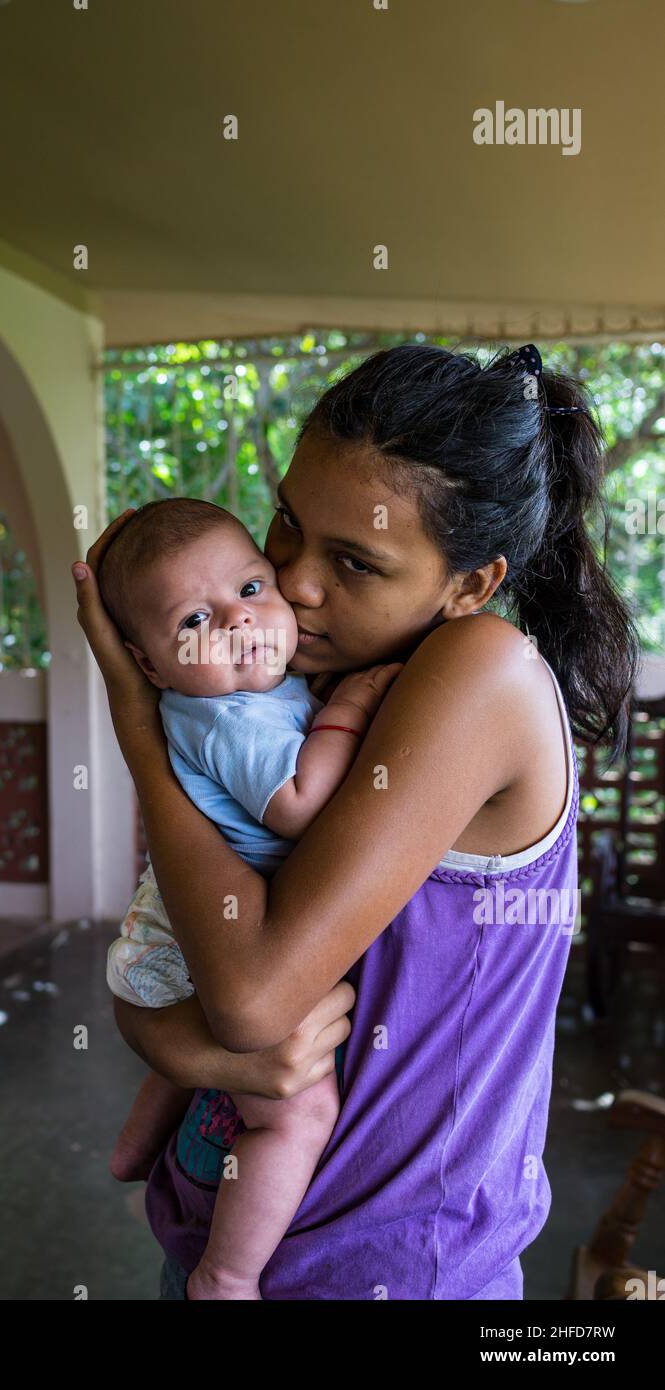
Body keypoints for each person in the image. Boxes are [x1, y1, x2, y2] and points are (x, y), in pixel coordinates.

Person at [73, 342, 638, 1300]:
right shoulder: (304, 676)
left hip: (384, 1270)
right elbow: (196, 959)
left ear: (469, 584)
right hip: (228, 1230)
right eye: (287, 522)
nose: (290, 580)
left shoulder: (478, 671)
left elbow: (249, 997)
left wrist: (139, 721)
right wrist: (169, 1038)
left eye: (354, 559)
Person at [99, 496, 398, 1300]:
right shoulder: (225, 716)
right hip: (196, 944)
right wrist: (351, 709)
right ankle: (226, 1275)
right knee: (294, 1114)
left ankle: (134, 1148)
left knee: (194, 1047)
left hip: (175, 936)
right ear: (151, 666)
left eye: (251, 589)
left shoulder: (236, 693)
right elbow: (299, 800)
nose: (238, 621)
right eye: (197, 617)